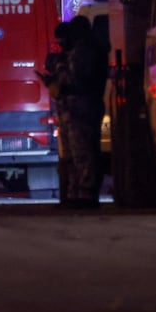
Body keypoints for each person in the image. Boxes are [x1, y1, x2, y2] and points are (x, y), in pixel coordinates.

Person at [59, 15, 108, 209]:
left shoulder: (84, 51)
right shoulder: (89, 49)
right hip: (83, 104)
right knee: (78, 151)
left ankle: (85, 194)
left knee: (83, 151)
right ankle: (78, 193)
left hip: (82, 104)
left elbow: (75, 78)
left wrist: (60, 67)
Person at [38, 21, 74, 203]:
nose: (60, 45)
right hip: (70, 110)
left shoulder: (79, 56)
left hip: (77, 110)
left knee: (79, 155)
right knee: (69, 155)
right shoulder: (71, 56)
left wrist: (58, 72)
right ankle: (73, 194)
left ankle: (81, 195)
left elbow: (71, 82)